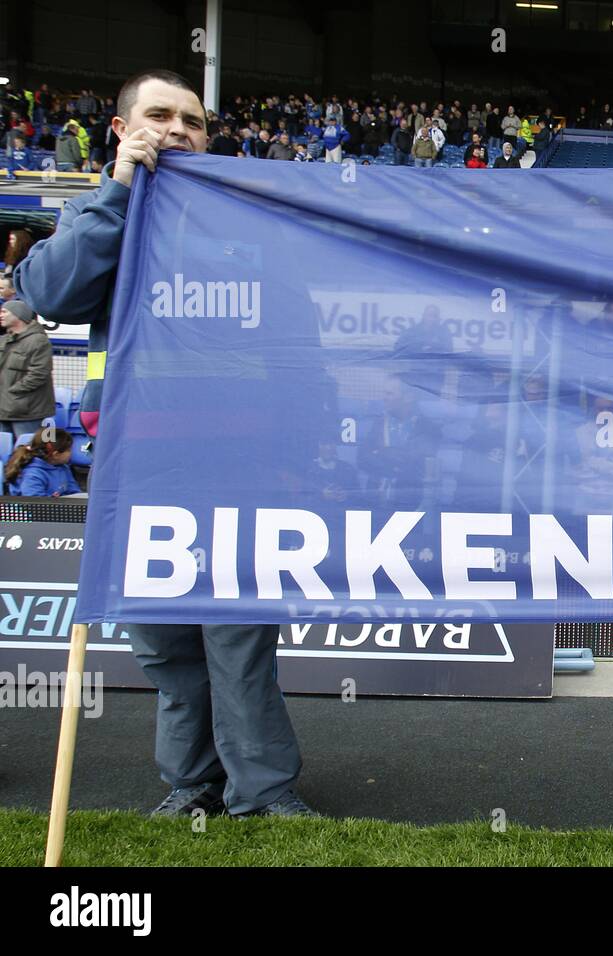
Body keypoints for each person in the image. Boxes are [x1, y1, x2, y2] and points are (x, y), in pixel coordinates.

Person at [13, 69, 315, 819]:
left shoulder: (246, 222)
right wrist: (118, 192)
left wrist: (300, 449)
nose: (179, 129)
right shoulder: (98, 209)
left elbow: (297, 339)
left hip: (240, 470)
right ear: (121, 129)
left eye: (194, 120)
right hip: (137, 470)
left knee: (238, 641)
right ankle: (191, 786)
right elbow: (49, 295)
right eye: (160, 115)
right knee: (166, 648)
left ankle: (265, 793)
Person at [0, 298, 54, 440]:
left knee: (29, 450)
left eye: (5, 311)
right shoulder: (4, 340)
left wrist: (13, 392)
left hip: (27, 411)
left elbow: (39, 373)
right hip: (4, 408)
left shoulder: (38, 340)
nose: (1, 315)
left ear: (19, 315)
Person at [5, 427, 79, 497]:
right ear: (56, 454)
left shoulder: (63, 467)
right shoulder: (33, 475)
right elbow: (34, 504)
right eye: (68, 450)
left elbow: (73, 491)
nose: (71, 453)